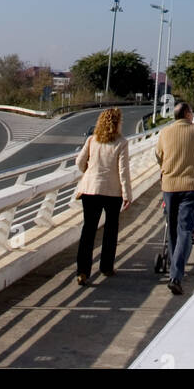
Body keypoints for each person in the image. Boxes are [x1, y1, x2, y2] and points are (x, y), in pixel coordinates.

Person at [155, 101, 194, 295]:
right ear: (187, 114)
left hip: (169, 186)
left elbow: (159, 155)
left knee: (172, 228)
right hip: (191, 187)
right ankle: (176, 276)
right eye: (192, 112)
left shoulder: (165, 133)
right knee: (185, 229)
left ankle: (175, 268)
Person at [74, 107, 132, 286]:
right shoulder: (121, 142)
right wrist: (127, 193)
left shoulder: (92, 140)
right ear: (117, 123)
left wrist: (90, 172)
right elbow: (123, 171)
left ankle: (83, 272)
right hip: (112, 191)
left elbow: (79, 162)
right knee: (110, 229)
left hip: (90, 189)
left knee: (88, 230)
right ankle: (106, 267)